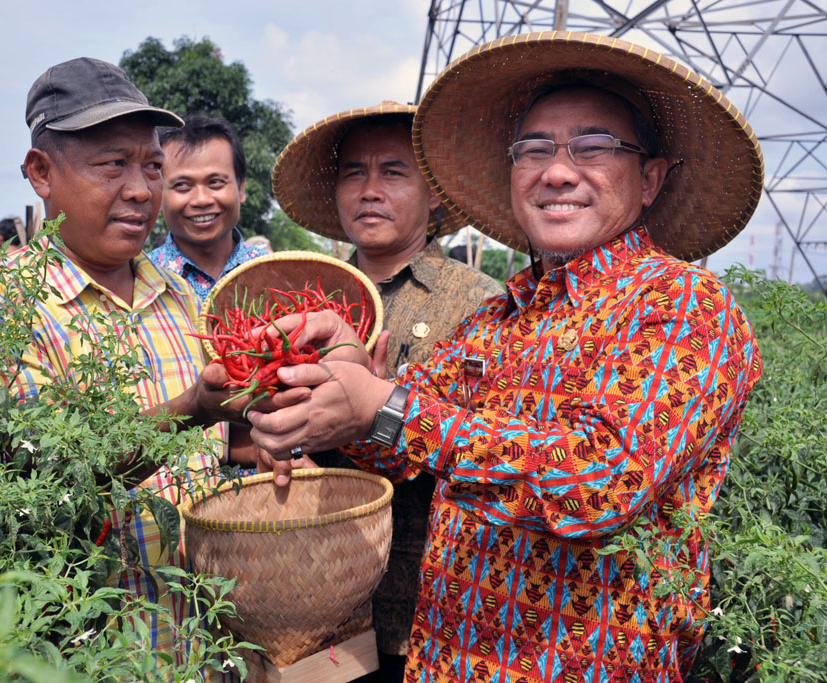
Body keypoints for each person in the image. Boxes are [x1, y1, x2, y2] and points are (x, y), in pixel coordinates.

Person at [248, 32, 764, 682]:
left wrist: (384, 405)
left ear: (651, 178)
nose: (557, 169)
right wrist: (343, 376)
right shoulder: (501, 318)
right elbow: (396, 443)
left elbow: (602, 481)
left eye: (594, 146)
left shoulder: (684, 304)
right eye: (535, 149)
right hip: (443, 661)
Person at [0, 57, 260, 668]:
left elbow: (211, 448)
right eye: (111, 165)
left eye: (151, 165)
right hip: (90, 655)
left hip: (201, 649)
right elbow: (43, 483)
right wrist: (193, 410)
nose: (141, 189)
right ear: (41, 173)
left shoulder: (177, 294)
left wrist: (250, 437)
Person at [272, 102, 503, 680]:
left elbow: (486, 448)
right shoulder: (307, 295)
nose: (370, 189)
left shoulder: (479, 301)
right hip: (313, 587)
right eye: (355, 173)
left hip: (420, 595)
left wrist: (380, 407)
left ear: (434, 195)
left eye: (393, 172)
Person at [148, 114, 268, 303]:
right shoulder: (138, 282)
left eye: (215, 182)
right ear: (159, 196)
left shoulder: (275, 273)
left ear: (241, 189)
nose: (202, 200)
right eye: (182, 185)